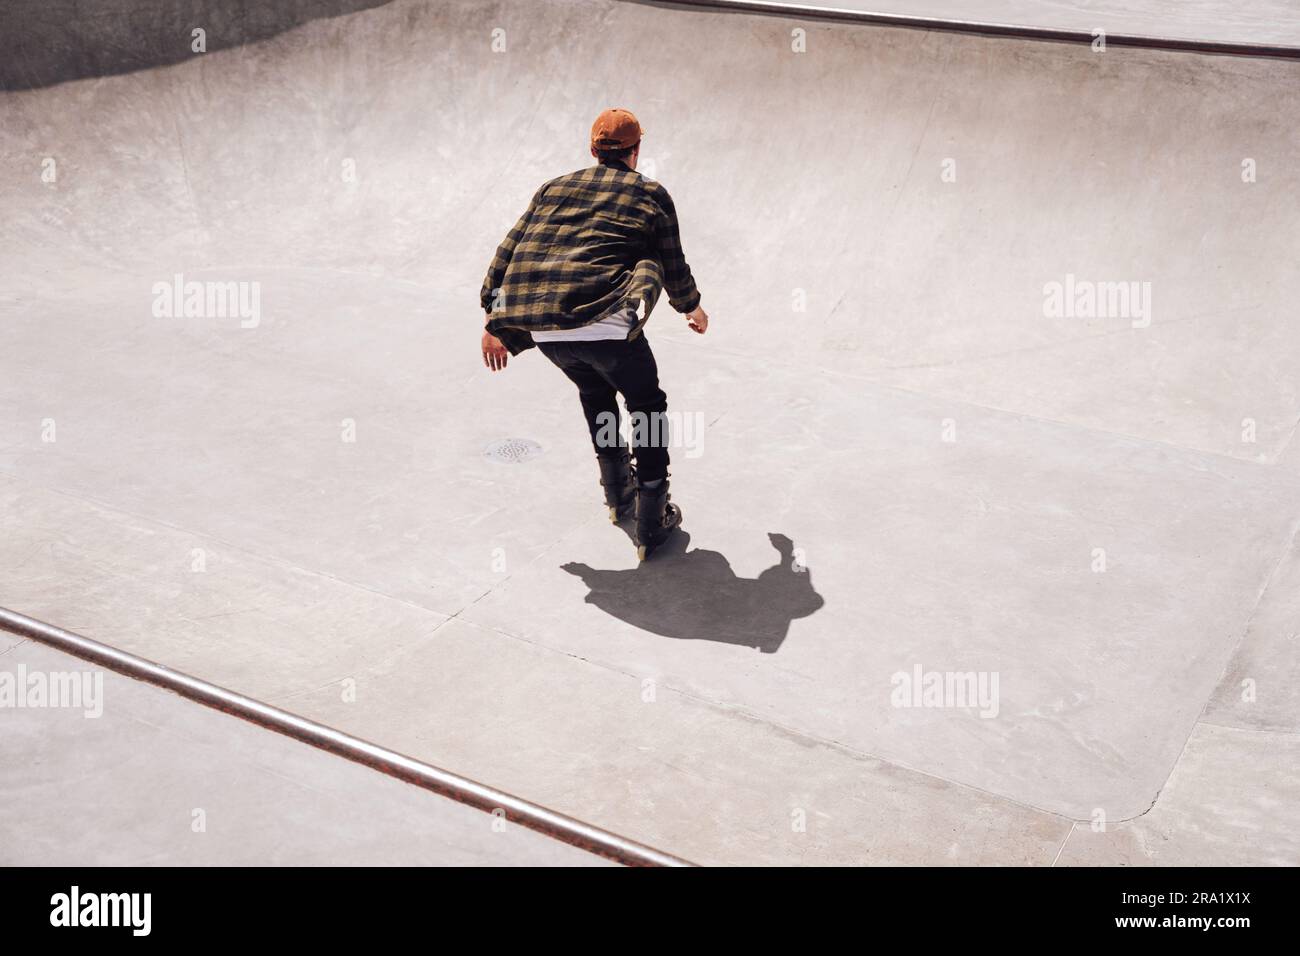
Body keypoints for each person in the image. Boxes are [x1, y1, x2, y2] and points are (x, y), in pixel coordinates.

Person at [479, 107, 708, 561]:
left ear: (592, 150)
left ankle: (617, 496)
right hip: (606, 325)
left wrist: (493, 321)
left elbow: (508, 250)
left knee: (596, 393)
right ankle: (651, 516)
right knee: (646, 404)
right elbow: (672, 261)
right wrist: (691, 307)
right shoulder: (651, 193)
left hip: (546, 331)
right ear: (636, 151)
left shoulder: (553, 187)